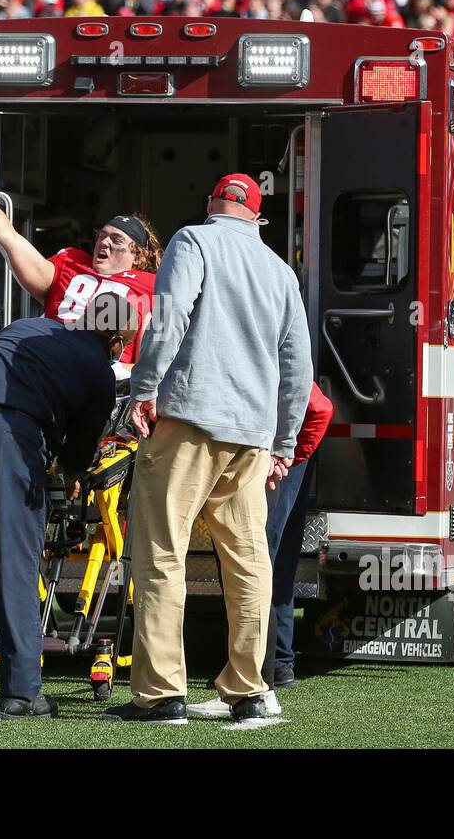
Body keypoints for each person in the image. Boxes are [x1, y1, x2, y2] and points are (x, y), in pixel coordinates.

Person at [102, 173, 313, 724]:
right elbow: (298, 369)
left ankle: (161, 693)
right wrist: (284, 443)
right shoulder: (281, 272)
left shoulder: (192, 241)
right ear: (258, 217)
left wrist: (144, 389)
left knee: (161, 554)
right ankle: (248, 689)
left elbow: (170, 318)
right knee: (248, 561)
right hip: (251, 434)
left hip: (189, 419)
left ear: (210, 204)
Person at [0, 293, 137, 720]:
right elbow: (79, 456)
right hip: (12, 435)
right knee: (17, 565)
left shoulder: (27, 326)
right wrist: (65, 473)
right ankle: (22, 693)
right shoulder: (99, 370)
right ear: (116, 340)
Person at [0, 152, 161, 368]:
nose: (104, 242)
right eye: (101, 235)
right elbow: (9, 239)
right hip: (46, 360)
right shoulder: (71, 263)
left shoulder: (157, 286)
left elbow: (161, 360)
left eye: (116, 239)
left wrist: (118, 372)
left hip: (104, 379)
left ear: (138, 256)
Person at [188, 382, 333, 718]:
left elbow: (320, 409)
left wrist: (290, 457)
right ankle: (273, 671)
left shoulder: (266, 354)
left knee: (251, 569)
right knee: (263, 566)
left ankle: (260, 685)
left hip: (270, 462)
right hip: (270, 458)